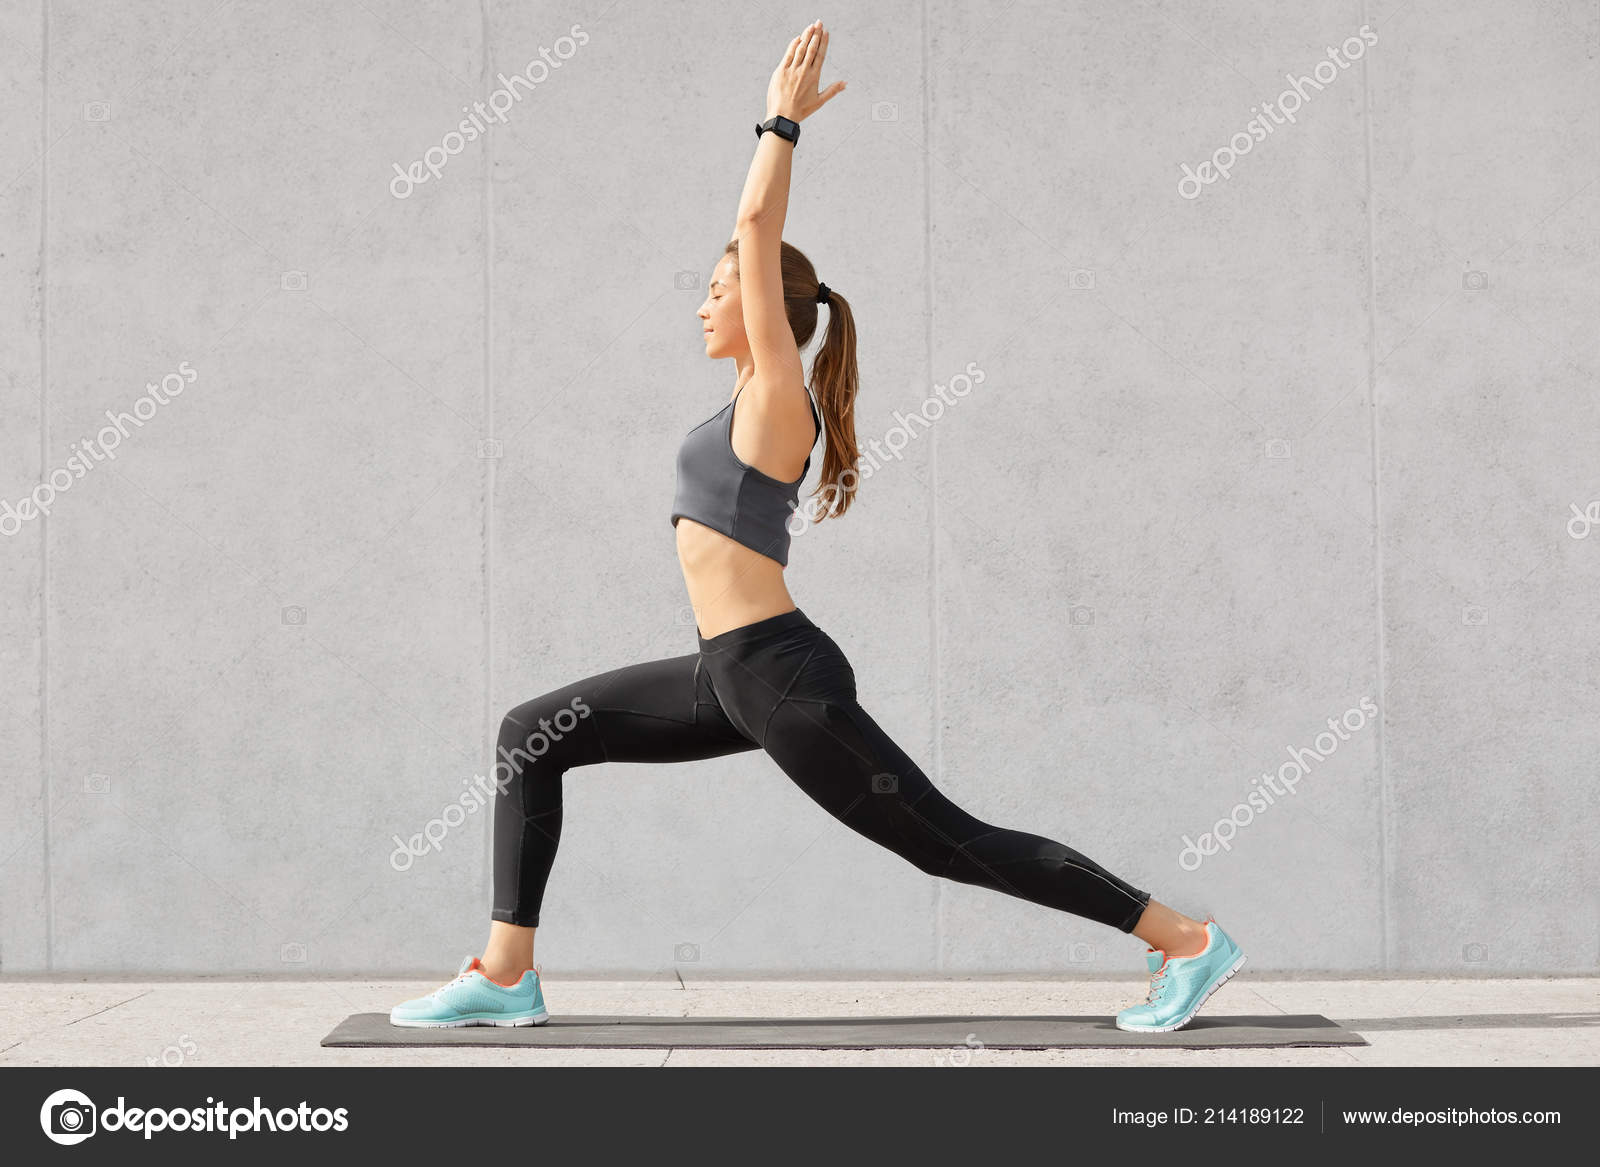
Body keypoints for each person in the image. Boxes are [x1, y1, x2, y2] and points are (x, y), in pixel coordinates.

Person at [391, 20, 1244, 1036]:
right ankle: (505, 973)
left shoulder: (774, 400)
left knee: (946, 842)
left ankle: (1184, 940)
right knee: (532, 733)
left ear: (764, 310)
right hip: (723, 676)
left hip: (781, 678)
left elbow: (754, 229)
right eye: (707, 292)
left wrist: (780, 123)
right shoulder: (738, 405)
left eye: (718, 293)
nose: (704, 307)